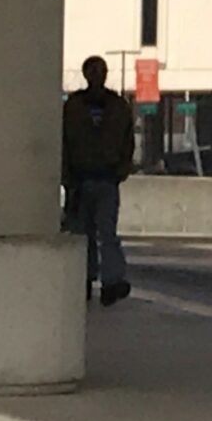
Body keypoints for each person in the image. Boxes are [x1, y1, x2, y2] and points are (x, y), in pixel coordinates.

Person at [62, 56, 135, 305]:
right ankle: (86, 278)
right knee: (84, 235)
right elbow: (64, 143)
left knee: (106, 233)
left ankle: (111, 281)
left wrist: (121, 170)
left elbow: (127, 143)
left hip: (106, 178)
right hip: (81, 180)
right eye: (92, 71)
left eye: (100, 71)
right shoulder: (73, 106)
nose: (96, 75)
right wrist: (67, 178)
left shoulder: (118, 107)